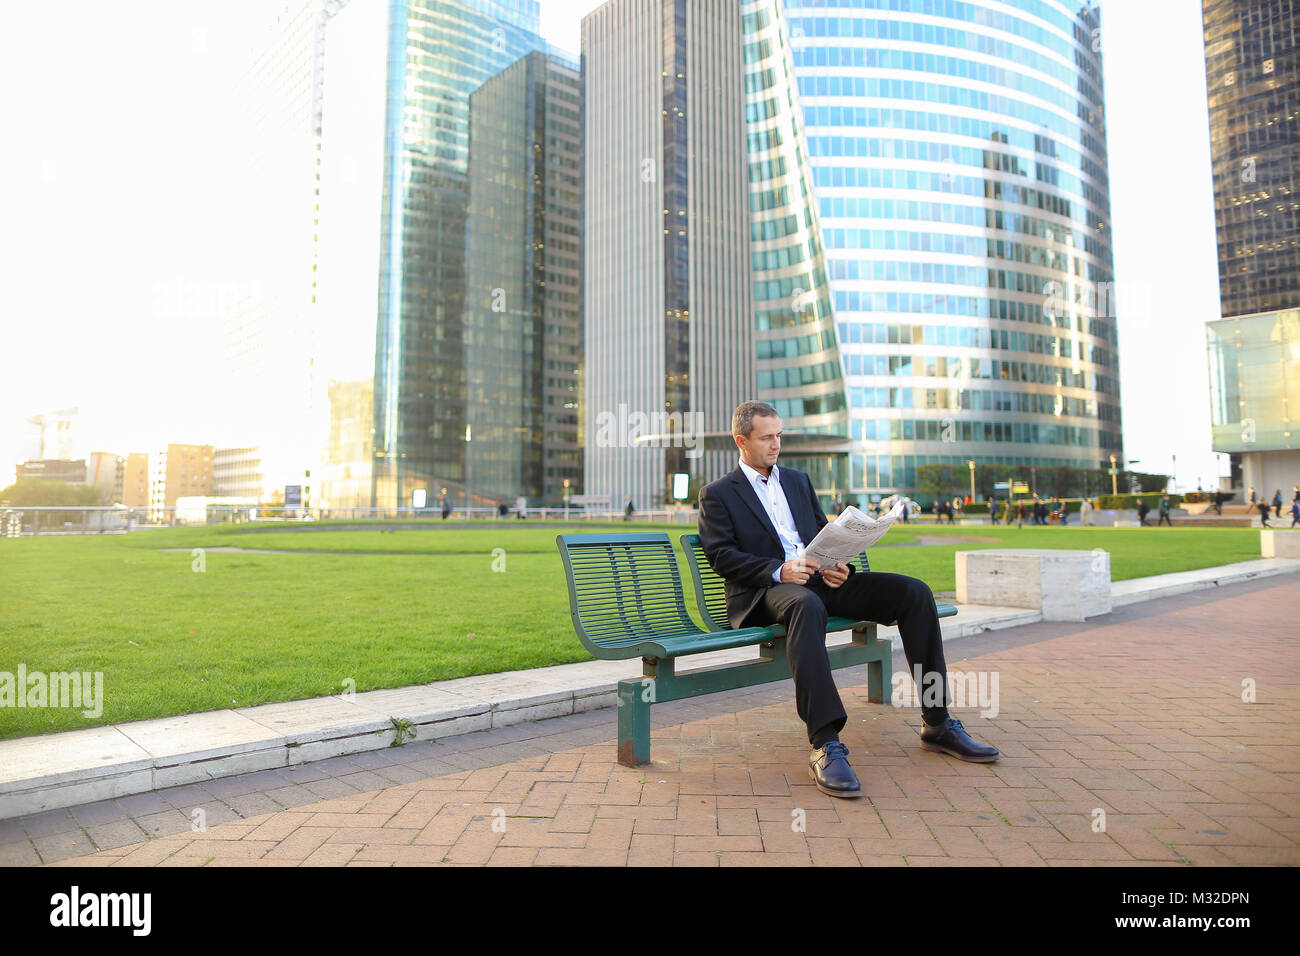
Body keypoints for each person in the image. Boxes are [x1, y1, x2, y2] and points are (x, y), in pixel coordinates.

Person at [697, 401, 998, 799]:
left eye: (779, 436)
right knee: (806, 605)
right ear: (742, 441)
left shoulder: (798, 481)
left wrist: (839, 565)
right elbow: (721, 556)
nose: (776, 445)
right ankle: (826, 742)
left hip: (819, 583)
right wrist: (779, 570)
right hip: (767, 593)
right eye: (767, 438)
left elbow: (822, 533)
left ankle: (937, 721)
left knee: (914, 593)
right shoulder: (718, 494)